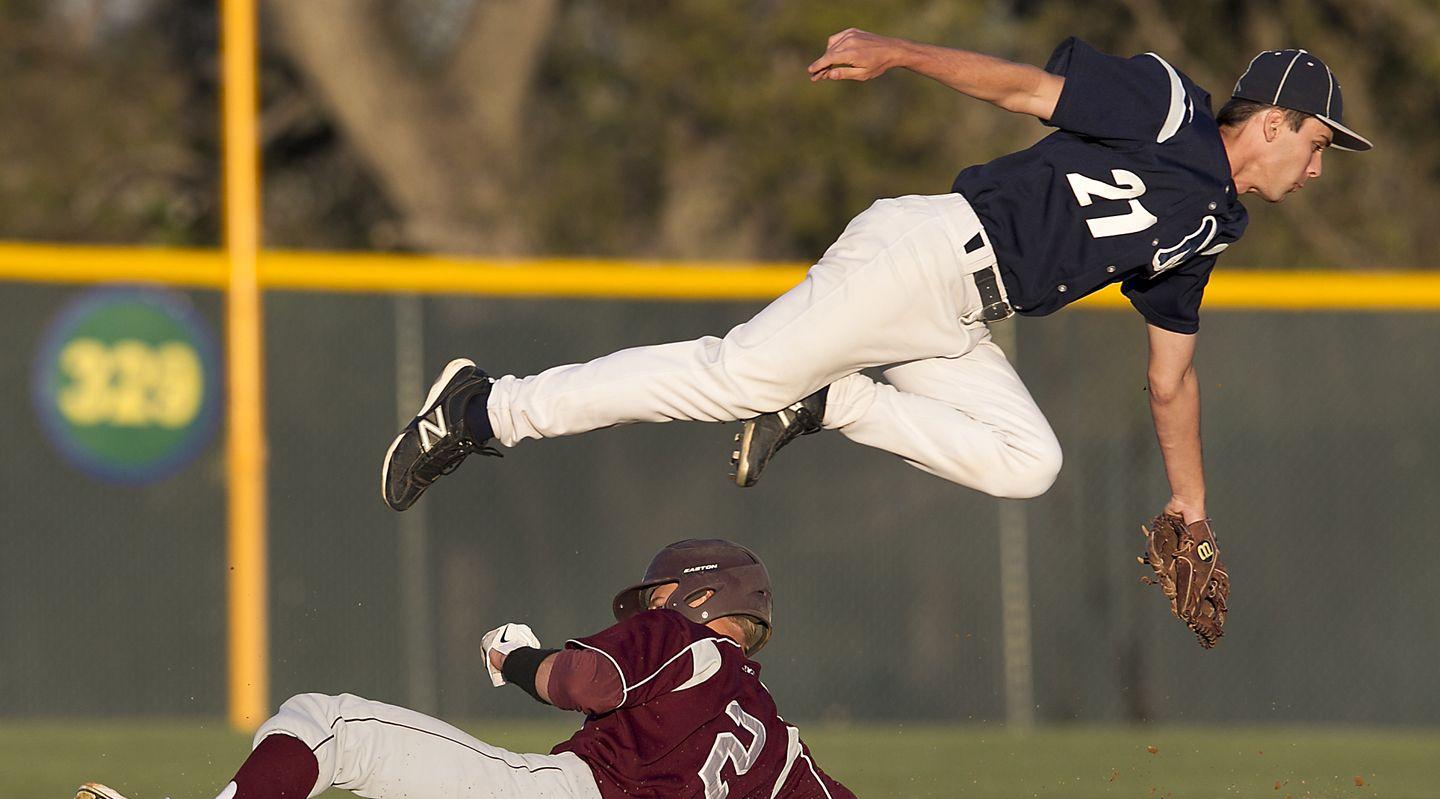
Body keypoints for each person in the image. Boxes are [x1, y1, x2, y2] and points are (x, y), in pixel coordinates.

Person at [380, 32, 1370, 545]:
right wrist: (900, 54)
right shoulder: (1166, 109)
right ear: (1276, 122)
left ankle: (836, 398)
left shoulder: (1211, 225)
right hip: (926, 253)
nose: (1319, 168)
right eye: (1320, 144)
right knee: (731, 379)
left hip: (958, 319)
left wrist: (1190, 500)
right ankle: (486, 409)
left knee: (1029, 462)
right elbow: (1027, 89)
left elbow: (1171, 380)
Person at [76, 539, 910, 799]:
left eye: (654, 594)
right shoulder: (782, 756)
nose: (643, 607)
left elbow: (577, 685)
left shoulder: (680, 636)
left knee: (326, 717)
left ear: (692, 592)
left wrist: (513, 656)